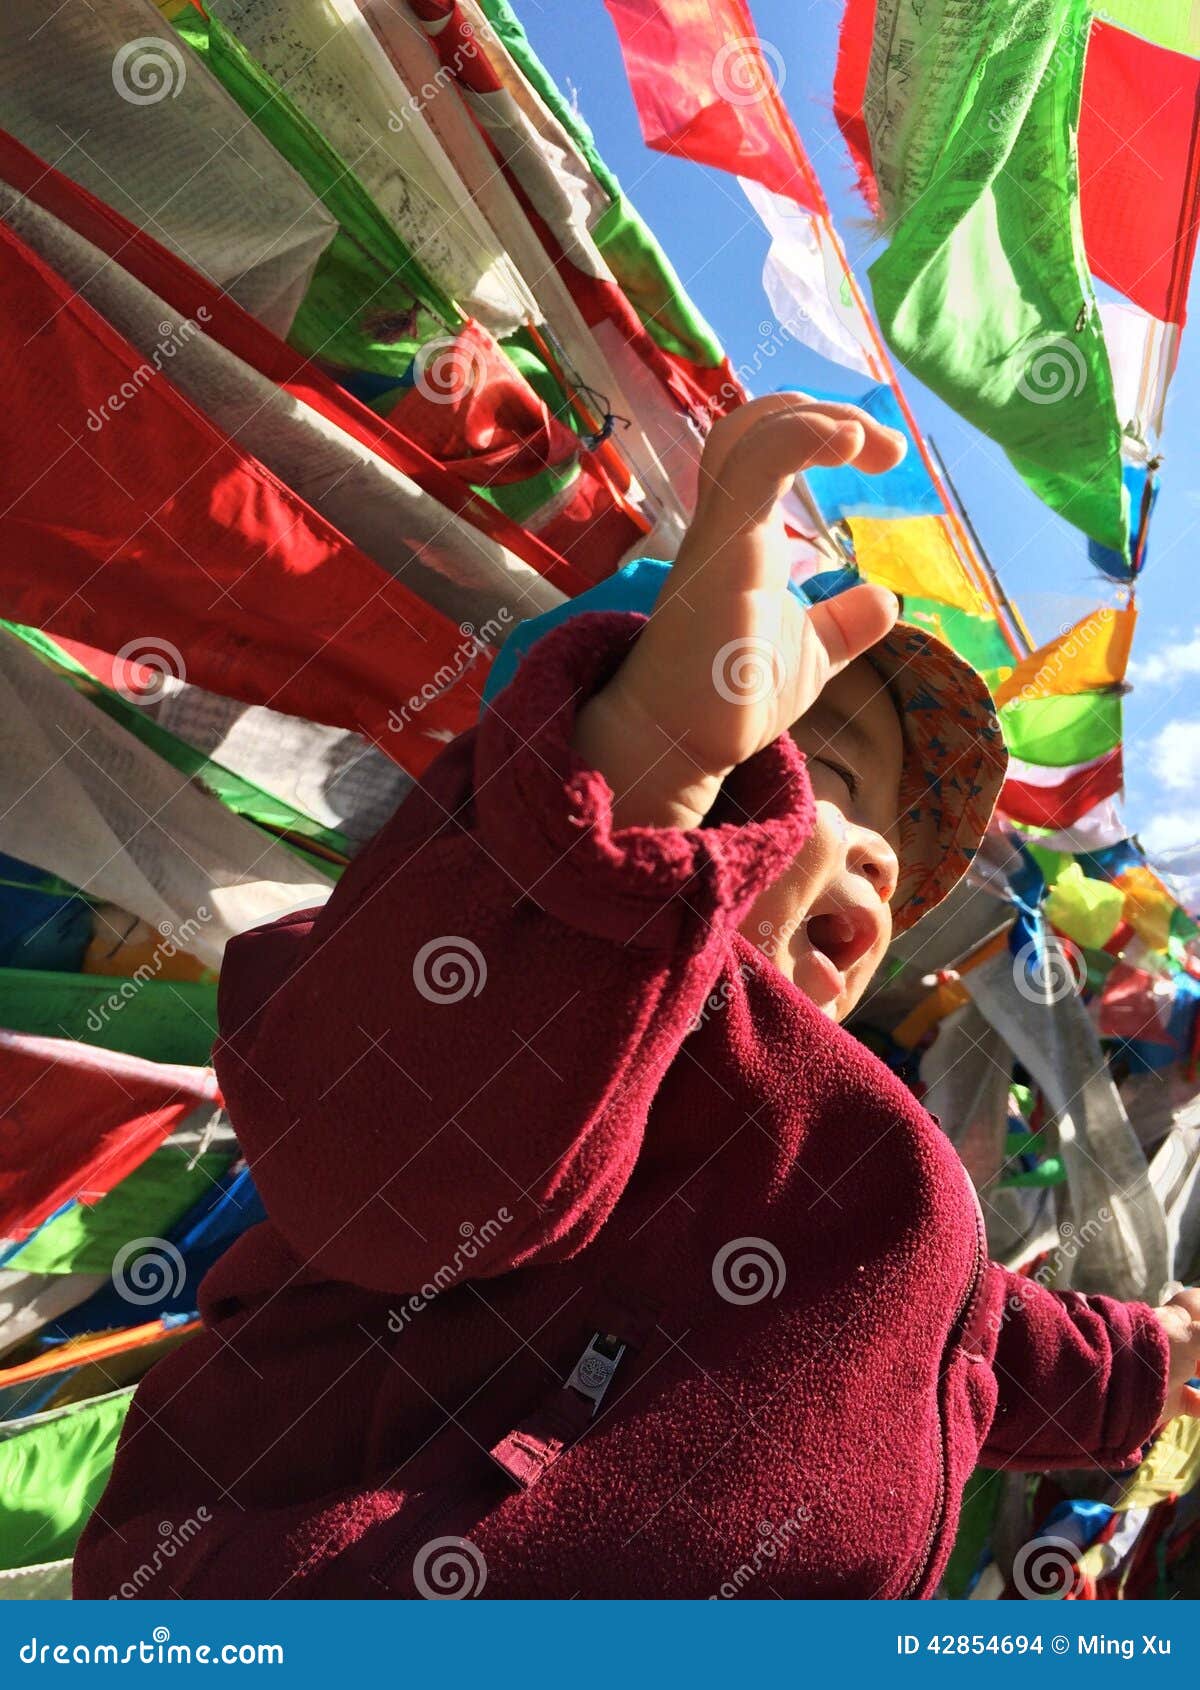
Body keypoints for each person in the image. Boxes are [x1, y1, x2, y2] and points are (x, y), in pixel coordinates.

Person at [74, 396, 1200, 1601]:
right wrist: (648, 773)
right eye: (800, 769)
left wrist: (1154, 1363)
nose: (874, 850)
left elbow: (969, 1339)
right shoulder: (481, 988)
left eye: (888, 828)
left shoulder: (875, 1165)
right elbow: (401, 1157)